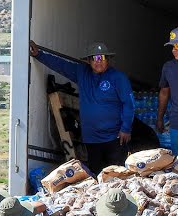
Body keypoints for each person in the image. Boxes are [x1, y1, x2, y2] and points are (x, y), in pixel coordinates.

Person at [29, 40, 135, 175]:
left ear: (107, 59)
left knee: (117, 173)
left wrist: (126, 128)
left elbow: (129, 103)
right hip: (91, 138)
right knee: (96, 173)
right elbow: (61, 65)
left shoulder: (118, 77)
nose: (98, 61)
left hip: (114, 137)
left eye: (101, 57)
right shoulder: (81, 72)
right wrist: (39, 55)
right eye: (94, 58)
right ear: (88, 61)